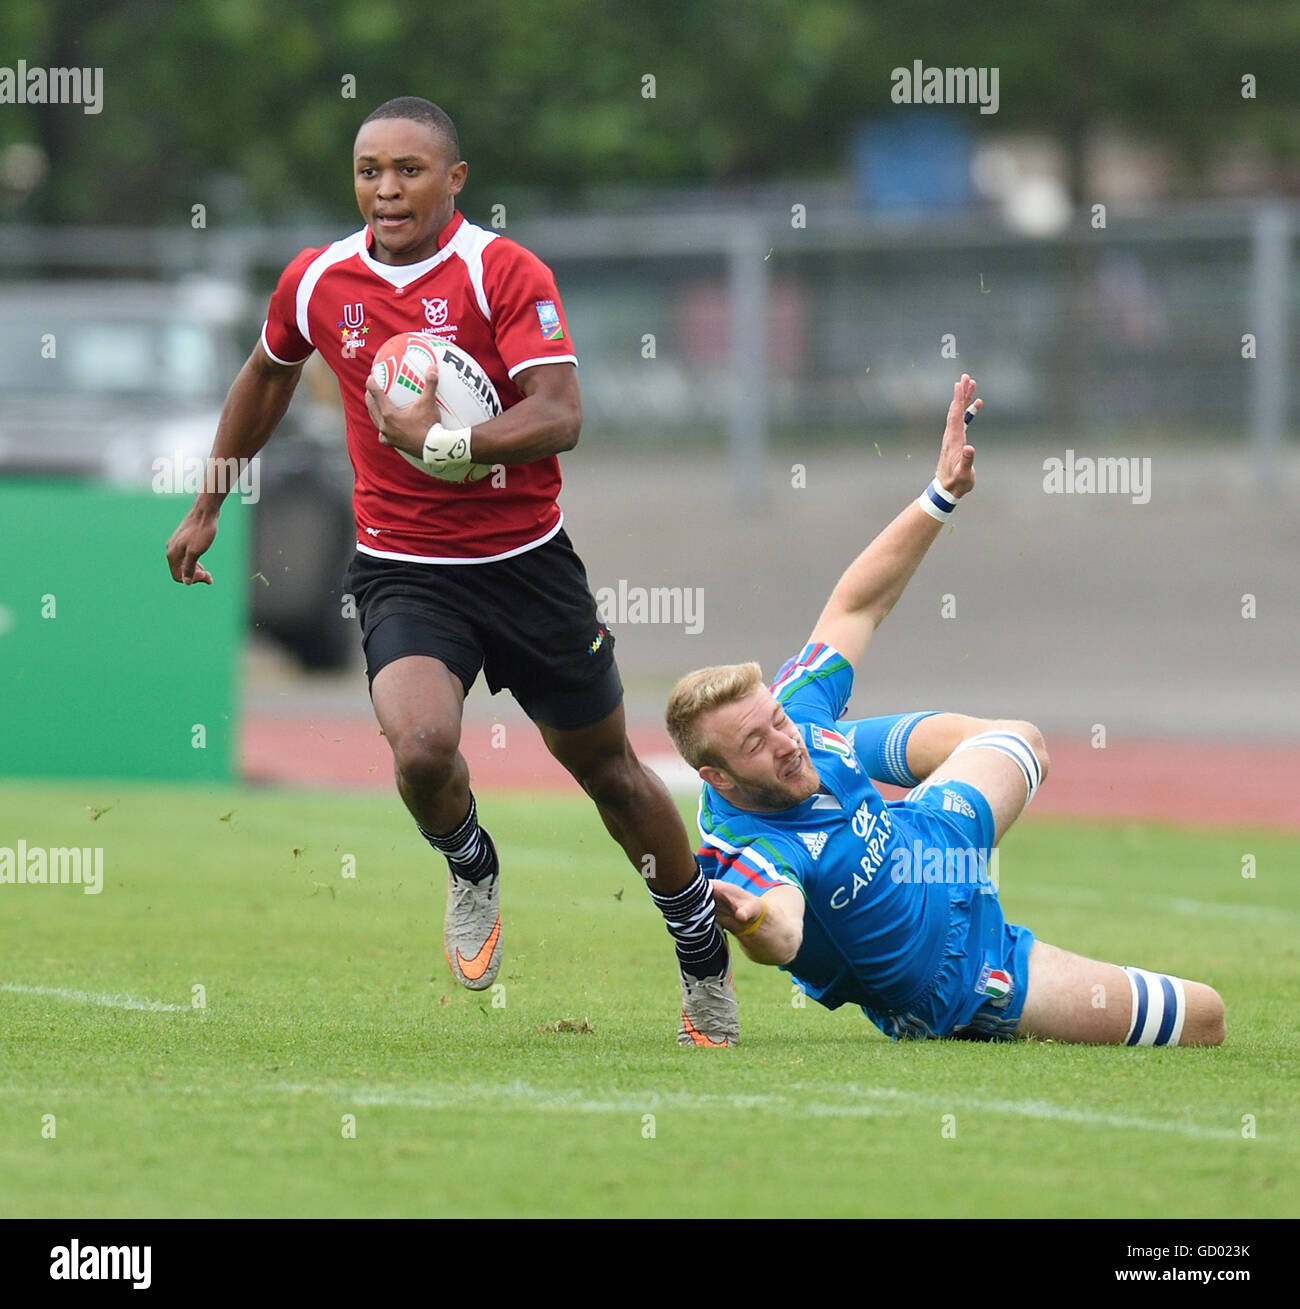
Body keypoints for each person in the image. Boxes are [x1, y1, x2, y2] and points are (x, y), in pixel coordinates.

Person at [165, 96, 737, 1047]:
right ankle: (470, 863)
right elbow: (267, 374)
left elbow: (560, 413)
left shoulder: (502, 271)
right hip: (404, 571)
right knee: (423, 749)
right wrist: (209, 499)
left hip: (528, 567)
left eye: (409, 170)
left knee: (609, 773)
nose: (386, 189)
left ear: (455, 180)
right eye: (369, 170)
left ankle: (700, 953)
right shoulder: (319, 280)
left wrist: (451, 441)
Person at [665, 374, 1225, 1046]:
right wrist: (750, 919)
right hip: (963, 974)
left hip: (935, 840)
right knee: (1205, 1017)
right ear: (719, 778)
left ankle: (885, 768)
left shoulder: (797, 719)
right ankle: (976, 1008)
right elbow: (781, 927)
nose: (784, 740)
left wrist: (942, 494)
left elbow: (856, 606)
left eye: (776, 721)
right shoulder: (745, 847)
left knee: (1021, 739)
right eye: (755, 743)